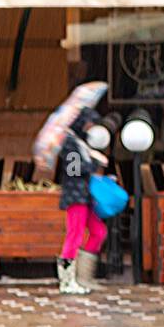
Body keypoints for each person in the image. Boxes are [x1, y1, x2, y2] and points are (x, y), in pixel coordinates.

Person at [55, 109, 109, 294]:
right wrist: (94, 162)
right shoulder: (69, 142)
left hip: (85, 196)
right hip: (75, 196)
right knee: (75, 235)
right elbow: (72, 169)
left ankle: (84, 276)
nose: (90, 128)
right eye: (89, 124)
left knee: (98, 231)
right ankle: (67, 280)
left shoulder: (81, 142)